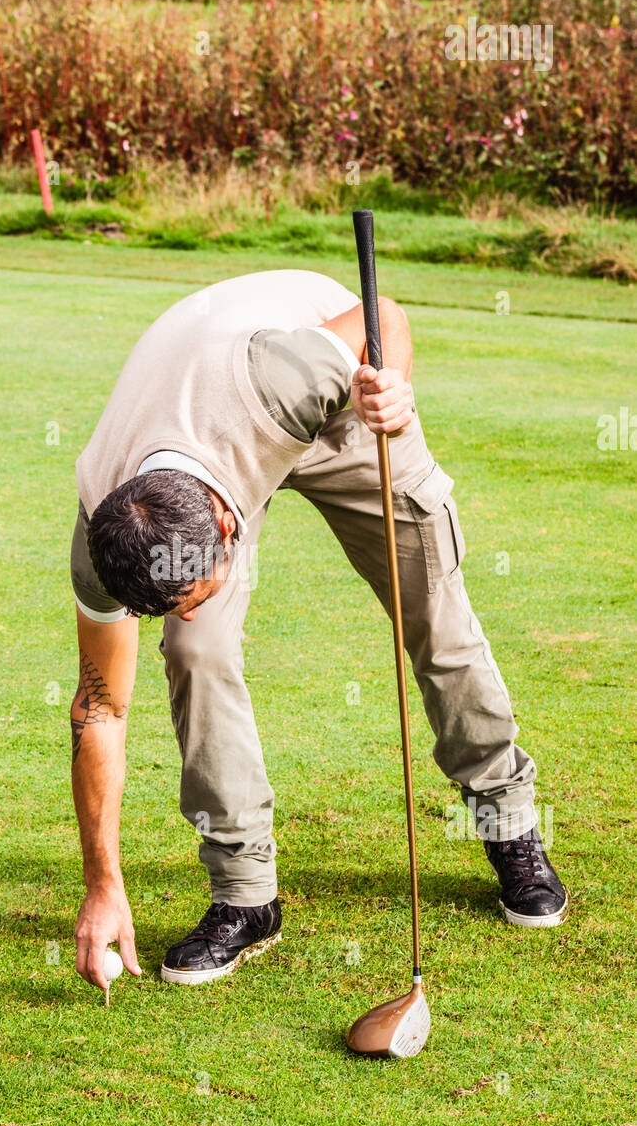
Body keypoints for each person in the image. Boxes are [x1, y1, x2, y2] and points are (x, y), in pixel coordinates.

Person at [69, 270, 567, 992]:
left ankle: (507, 823)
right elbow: (102, 709)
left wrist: (393, 385)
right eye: (165, 604)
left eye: (190, 592)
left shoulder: (283, 375)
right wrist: (101, 884)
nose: (183, 608)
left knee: (435, 615)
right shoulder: (104, 530)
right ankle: (246, 895)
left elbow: (380, 313)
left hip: (335, 416)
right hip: (205, 424)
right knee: (195, 649)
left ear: (226, 529)